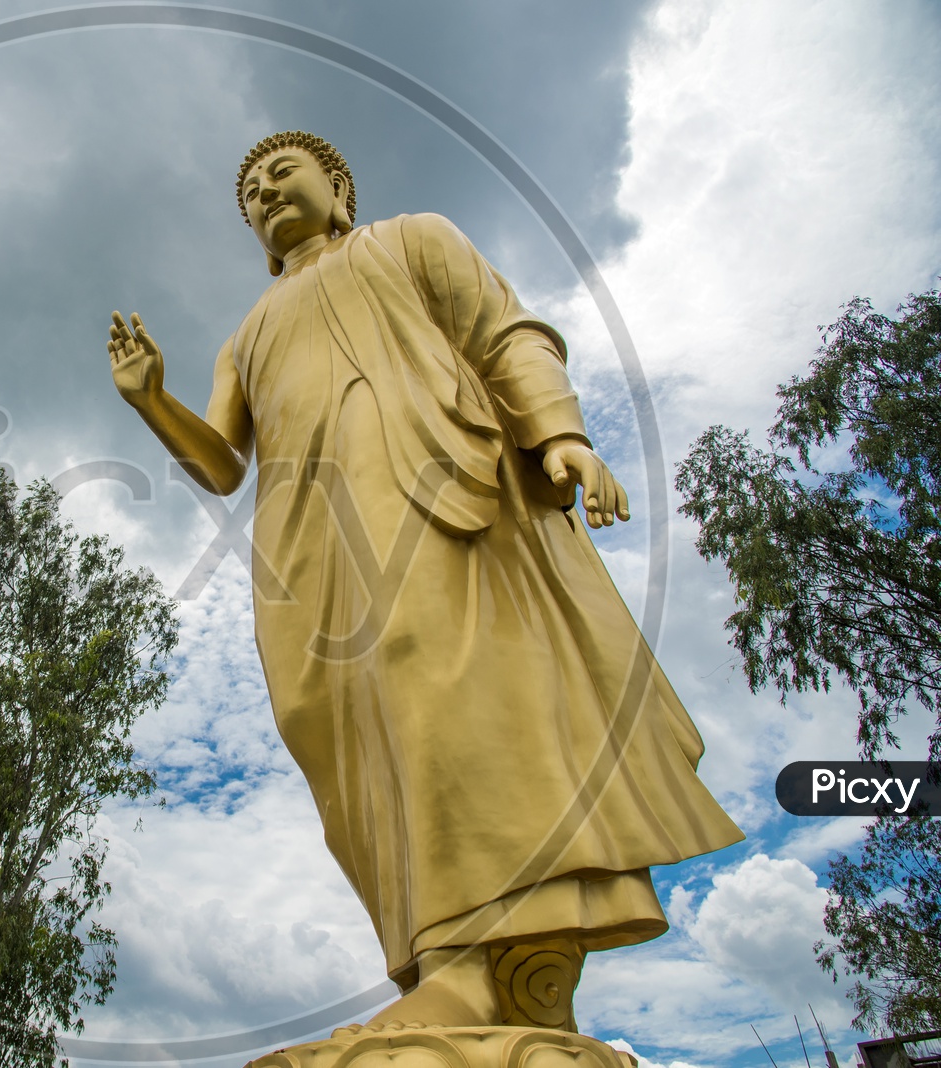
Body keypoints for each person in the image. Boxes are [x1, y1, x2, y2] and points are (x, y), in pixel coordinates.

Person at [104, 131, 742, 1031]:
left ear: (338, 187)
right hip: (312, 547)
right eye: (250, 190)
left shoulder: (411, 240)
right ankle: (433, 964)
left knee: (438, 680)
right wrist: (151, 400)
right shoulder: (246, 338)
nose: (264, 191)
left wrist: (561, 434)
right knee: (343, 732)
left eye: (283, 173)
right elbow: (221, 465)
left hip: (437, 493)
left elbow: (504, 334)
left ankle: (483, 955)